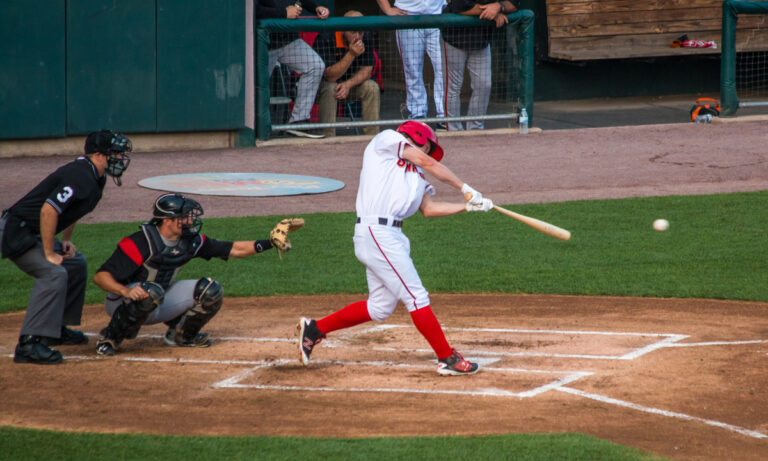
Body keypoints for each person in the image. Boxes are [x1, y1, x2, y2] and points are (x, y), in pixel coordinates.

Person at [297, 120, 493, 375]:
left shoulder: (416, 176)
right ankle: (447, 358)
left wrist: (467, 206)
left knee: (380, 307)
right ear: (415, 137)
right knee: (416, 296)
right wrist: (465, 188)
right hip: (376, 232)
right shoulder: (386, 140)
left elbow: (429, 209)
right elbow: (428, 162)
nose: (426, 153)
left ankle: (315, 328)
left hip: (392, 236)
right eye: (426, 146)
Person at [93, 193, 303, 356]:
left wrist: (269, 242)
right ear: (167, 221)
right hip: (122, 301)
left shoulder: (191, 241)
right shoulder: (140, 242)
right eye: (184, 217)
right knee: (151, 291)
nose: (190, 221)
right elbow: (101, 276)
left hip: (159, 299)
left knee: (210, 290)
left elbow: (233, 249)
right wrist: (124, 291)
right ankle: (110, 338)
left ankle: (182, 336)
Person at [0, 130, 132, 364]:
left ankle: (55, 329)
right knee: (53, 272)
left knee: (75, 262)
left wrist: (66, 240)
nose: (120, 158)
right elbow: (49, 210)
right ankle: (29, 343)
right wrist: (50, 253)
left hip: (31, 231)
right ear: (99, 155)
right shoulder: (80, 175)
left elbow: (73, 210)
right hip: (16, 231)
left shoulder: (95, 176)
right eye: (116, 153)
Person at [256, 0, 330, 139]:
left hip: (288, 40)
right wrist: (283, 13)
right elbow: (254, 10)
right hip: (263, 44)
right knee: (256, 86)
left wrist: (315, 8)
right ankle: (254, 127)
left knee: (315, 66)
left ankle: (298, 121)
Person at [442, 0, 517, 131]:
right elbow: (459, 6)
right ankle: (453, 130)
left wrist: (499, 6)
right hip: (455, 38)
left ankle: (475, 129)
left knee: (484, 85)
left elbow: (514, 4)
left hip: (480, 40)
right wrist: (494, 12)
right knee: (453, 87)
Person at [376, 0, 446, 128]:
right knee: (412, 71)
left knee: (444, 69)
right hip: (407, 15)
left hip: (437, 14)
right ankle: (417, 115)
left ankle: (444, 116)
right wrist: (387, 9)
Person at [312, 10, 381, 137]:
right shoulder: (327, 36)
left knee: (371, 87)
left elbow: (367, 71)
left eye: (360, 32)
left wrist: (348, 85)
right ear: (343, 29)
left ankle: (372, 138)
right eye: (353, 32)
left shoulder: (366, 37)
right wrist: (351, 54)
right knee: (331, 87)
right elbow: (329, 76)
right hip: (320, 88)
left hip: (348, 86)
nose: (357, 37)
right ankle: (328, 139)